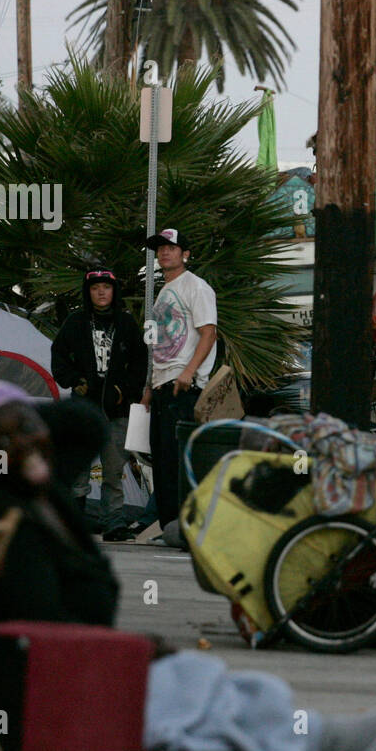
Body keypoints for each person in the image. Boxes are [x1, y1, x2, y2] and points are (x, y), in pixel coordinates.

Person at [0, 381, 376, 751]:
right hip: (54, 683)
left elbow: (88, 424)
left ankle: (321, 738)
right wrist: (126, 651)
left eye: (29, 426)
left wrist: (18, 421)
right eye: (2, 439)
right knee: (197, 693)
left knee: (218, 682)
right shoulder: (2, 517)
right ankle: (318, 743)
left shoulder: (44, 495)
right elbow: (44, 630)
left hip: (88, 662)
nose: (22, 442)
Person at [50, 268, 148, 541]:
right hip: (83, 408)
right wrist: (73, 380)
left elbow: (141, 363)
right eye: (95, 288)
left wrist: (125, 390)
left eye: (106, 287)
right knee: (79, 469)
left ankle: (114, 524)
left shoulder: (126, 323)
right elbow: (58, 355)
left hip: (116, 409)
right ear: (88, 292)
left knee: (114, 470)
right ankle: (73, 524)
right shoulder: (75, 322)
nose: (101, 292)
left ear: (114, 291)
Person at [141, 228, 218, 534]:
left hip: (183, 385)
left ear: (185, 253)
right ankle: (170, 528)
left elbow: (209, 332)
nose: (164, 253)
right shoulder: (163, 291)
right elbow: (159, 342)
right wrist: (149, 385)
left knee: (178, 461)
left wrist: (189, 372)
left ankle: (185, 529)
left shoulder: (196, 287)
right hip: (162, 383)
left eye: (171, 248)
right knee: (161, 461)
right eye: (160, 248)